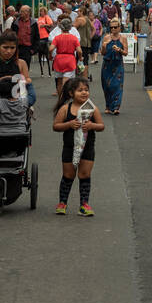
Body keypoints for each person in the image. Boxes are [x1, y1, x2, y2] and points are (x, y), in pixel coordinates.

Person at [52, 77, 105, 216]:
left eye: (86, 90)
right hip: (69, 147)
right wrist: (68, 125)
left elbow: (101, 126)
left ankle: (84, 205)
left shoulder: (92, 108)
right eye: (80, 90)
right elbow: (56, 126)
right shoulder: (66, 108)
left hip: (87, 147)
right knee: (68, 175)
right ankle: (62, 203)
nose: (84, 93)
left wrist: (92, 126)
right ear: (71, 93)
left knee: (85, 174)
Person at [0, 31, 36, 108]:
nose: (9, 51)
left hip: (16, 108)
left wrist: (26, 82)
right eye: (5, 47)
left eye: (12, 48)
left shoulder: (21, 63)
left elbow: (26, 86)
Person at [49, 16, 82, 97]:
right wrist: (80, 57)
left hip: (58, 60)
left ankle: (60, 98)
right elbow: (79, 51)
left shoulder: (57, 38)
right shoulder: (74, 38)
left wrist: (50, 56)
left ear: (61, 27)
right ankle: (65, 97)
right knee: (66, 81)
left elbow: (50, 49)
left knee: (59, 81)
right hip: (70, 59)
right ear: (70, 27)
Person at [99, 21, 127, 113]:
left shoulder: (123, 38)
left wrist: (120, 50)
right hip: (107, 65)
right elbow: (103, 53)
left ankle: (115, 107)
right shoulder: (106, 37)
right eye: (111, 27)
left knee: (117, 86)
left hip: (118, 64)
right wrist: (104, 46)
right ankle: (108, 106)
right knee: (107, 86)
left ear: (119, 28)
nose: (113, 29)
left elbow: (126, 53)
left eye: (115, 27)